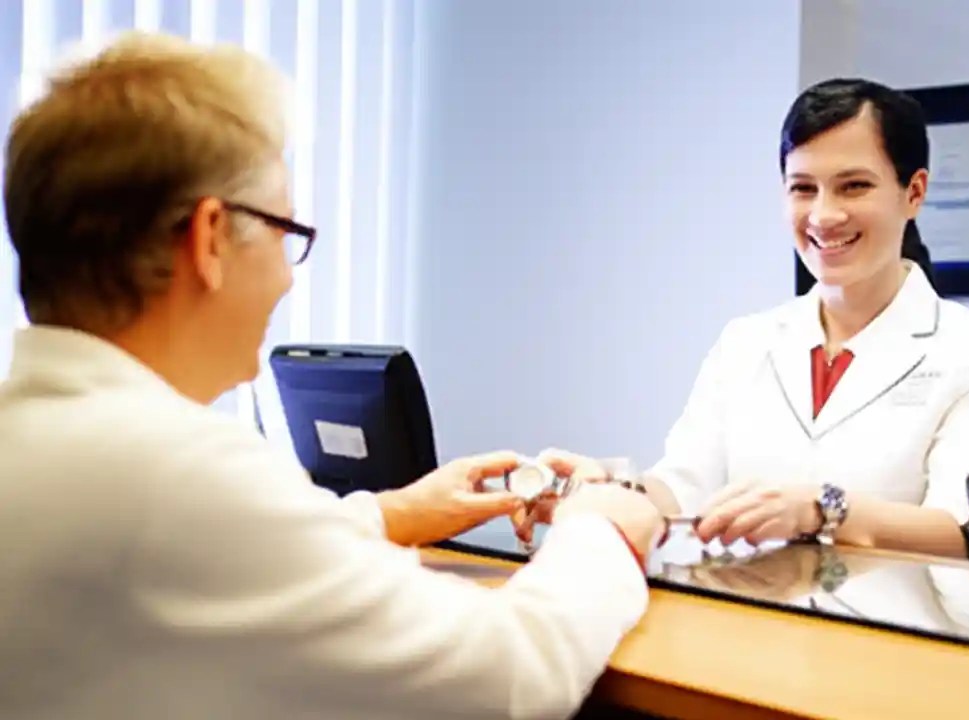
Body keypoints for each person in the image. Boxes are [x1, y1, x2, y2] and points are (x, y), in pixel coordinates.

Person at [0, 32, 665, 720]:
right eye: (287, 233)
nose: (289, 276)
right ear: (209, 239)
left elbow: (224, 552)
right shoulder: (174, 476)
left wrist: (390, 513)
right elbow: (511, 676)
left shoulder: (38, 443)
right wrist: (601, 527)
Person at [537, 78, 969, 561]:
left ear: (913, 193)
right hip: (751, 615)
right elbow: (683, 487)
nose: (824, 215)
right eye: (803, 189)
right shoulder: (746, 341)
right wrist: (615, 494)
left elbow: (964, 532)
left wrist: (823, 508)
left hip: (895, 627)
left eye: (854, 186)